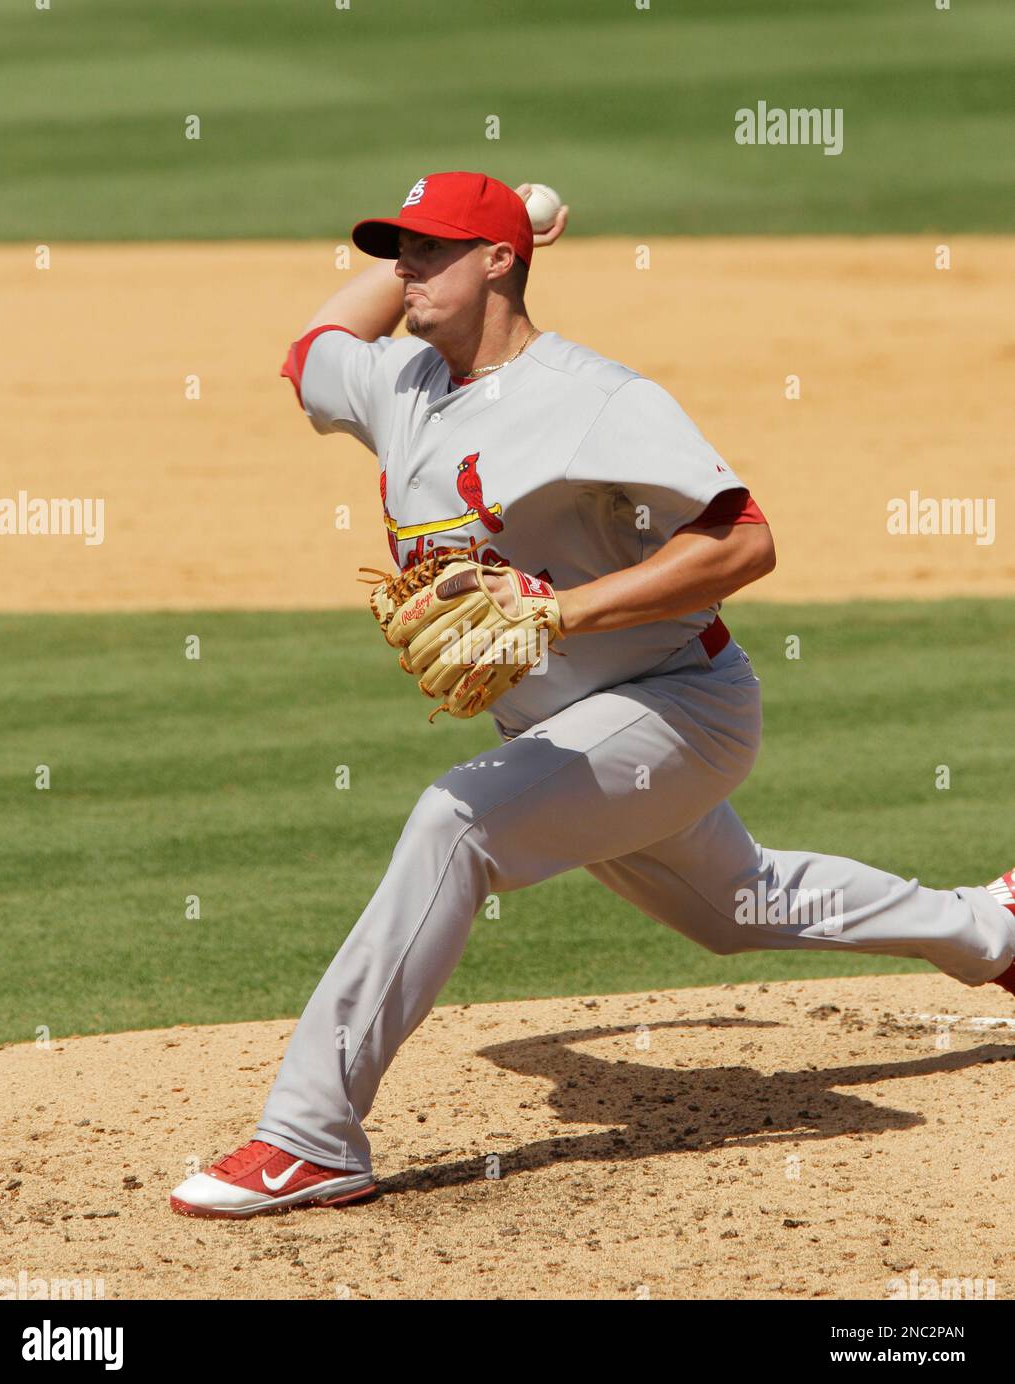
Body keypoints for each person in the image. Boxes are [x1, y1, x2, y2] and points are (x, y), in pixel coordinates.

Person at [170, 171, 1015, 1219]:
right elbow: (309, 348)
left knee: (455, 823)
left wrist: (556, 613)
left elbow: (744, 542)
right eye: (398, 248)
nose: (401, 268)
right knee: (739, 904)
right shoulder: (398, 387)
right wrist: (455, 250)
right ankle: (990, 929)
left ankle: (309, 1135)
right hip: (570, 732)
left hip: (676, 707)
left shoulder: (595, 397)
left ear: (499, 265)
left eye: (430, 249)